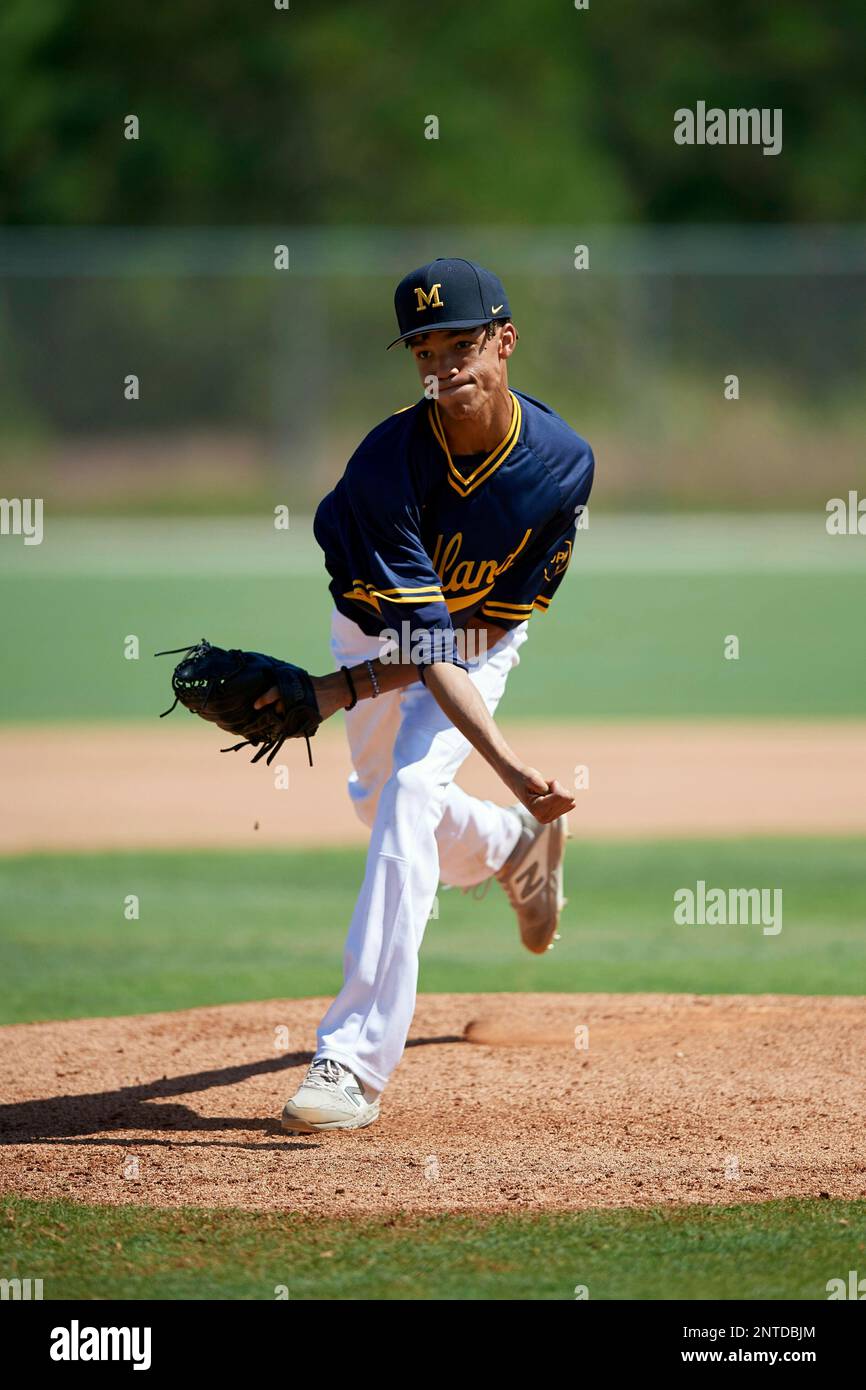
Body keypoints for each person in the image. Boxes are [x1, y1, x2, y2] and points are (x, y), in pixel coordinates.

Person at [259, 257, 595, 1132]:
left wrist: (348, 694)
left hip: (477, 639)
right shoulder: (386, 466)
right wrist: (355, 678)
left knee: (410, 793)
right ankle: (511, 845)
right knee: (384, 807)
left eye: (462, 343)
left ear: (506, 339)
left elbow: (474, 634)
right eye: (424, 350)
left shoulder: (561, 467)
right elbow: (416, 641)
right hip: (376, 630)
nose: (443, 365)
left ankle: (352, 1064)